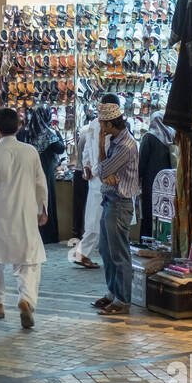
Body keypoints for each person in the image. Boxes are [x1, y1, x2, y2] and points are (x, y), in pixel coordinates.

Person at [0, 107, 47, 329]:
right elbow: (40, 183)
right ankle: (26, 299)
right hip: (25, 215)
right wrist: (42, 209)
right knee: (29, 260)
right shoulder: (30, 152)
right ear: (18, 126)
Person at [93, 101, 140, 316]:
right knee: (106, 249)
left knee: (119, 252)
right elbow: (102, 170)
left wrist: (104, 167)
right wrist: (103, 160)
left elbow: (102, 170)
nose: (101, 128)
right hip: (110, 200)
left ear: (111, 123)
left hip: (119, 204)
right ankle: (113, 293)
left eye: (103, 124)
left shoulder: (125, 146)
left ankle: (122, 300)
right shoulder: (116, 141)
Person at [71, 92, 120, 270]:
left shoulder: (92, 125)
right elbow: (104, 154)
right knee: (97, 220)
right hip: (104, 180)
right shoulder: (105, 127)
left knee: (95, 218)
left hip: (96, 179)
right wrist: (89, 167)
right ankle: (82, 253)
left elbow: (86, 153)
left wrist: (87, 167)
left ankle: (84, 253)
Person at [18, 105, 65, 244]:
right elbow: (61, 149)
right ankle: (47, 236)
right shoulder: (49, 133)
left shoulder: (24, 132)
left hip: (27, 172)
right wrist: (58, 134)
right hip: (45, 171)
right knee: (45, 201)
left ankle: (29, 234)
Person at [136, 113, 176, 243]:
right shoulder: (171, 137)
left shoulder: (149, 137)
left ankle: (147, 241)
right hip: (169, 184)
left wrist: (137, 181)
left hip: (151, 184)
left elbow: (141, 162)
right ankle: (163, 242)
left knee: (148, 213)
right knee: (164, 214)